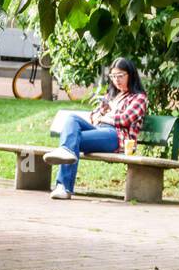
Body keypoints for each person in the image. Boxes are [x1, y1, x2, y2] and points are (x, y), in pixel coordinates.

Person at [43, 57, 149, 200]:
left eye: (120, 76)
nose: (116, 80)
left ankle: (63, 186)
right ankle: (64, 172)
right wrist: (102, 113)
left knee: (71, 142)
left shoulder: (139, 97)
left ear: (131, 75)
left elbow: (124, 119)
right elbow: (93, 116)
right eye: (113, 76)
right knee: (71, 120)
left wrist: (105, 117)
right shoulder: (112, 95)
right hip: (100, 130)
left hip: (116, 137)